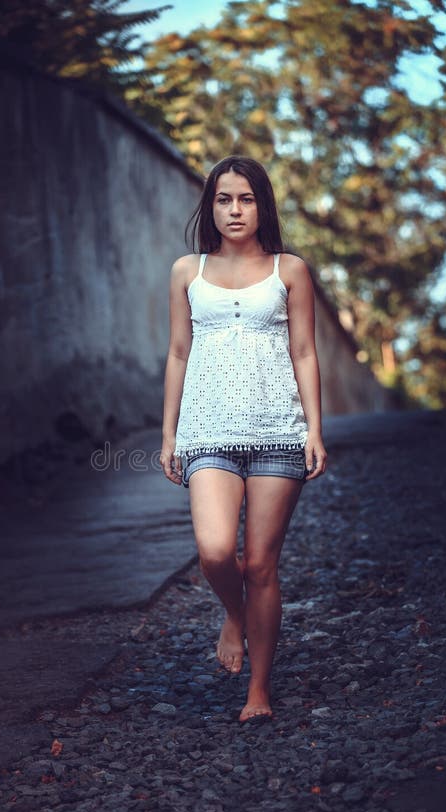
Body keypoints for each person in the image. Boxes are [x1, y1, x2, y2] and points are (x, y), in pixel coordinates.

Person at [160, 155, 327, 723]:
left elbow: (304, 352)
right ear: (210, 206)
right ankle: (235, 615)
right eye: (224, 199)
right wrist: (169, 434)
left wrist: (314, 430)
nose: (235, 210)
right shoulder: (188, 270)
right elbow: (179, 353)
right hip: (207, 430)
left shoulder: (290, 270)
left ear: (263, 205)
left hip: (278, 432)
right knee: (213, 553)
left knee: (260, 563)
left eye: (246, 199)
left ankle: (259, 689)